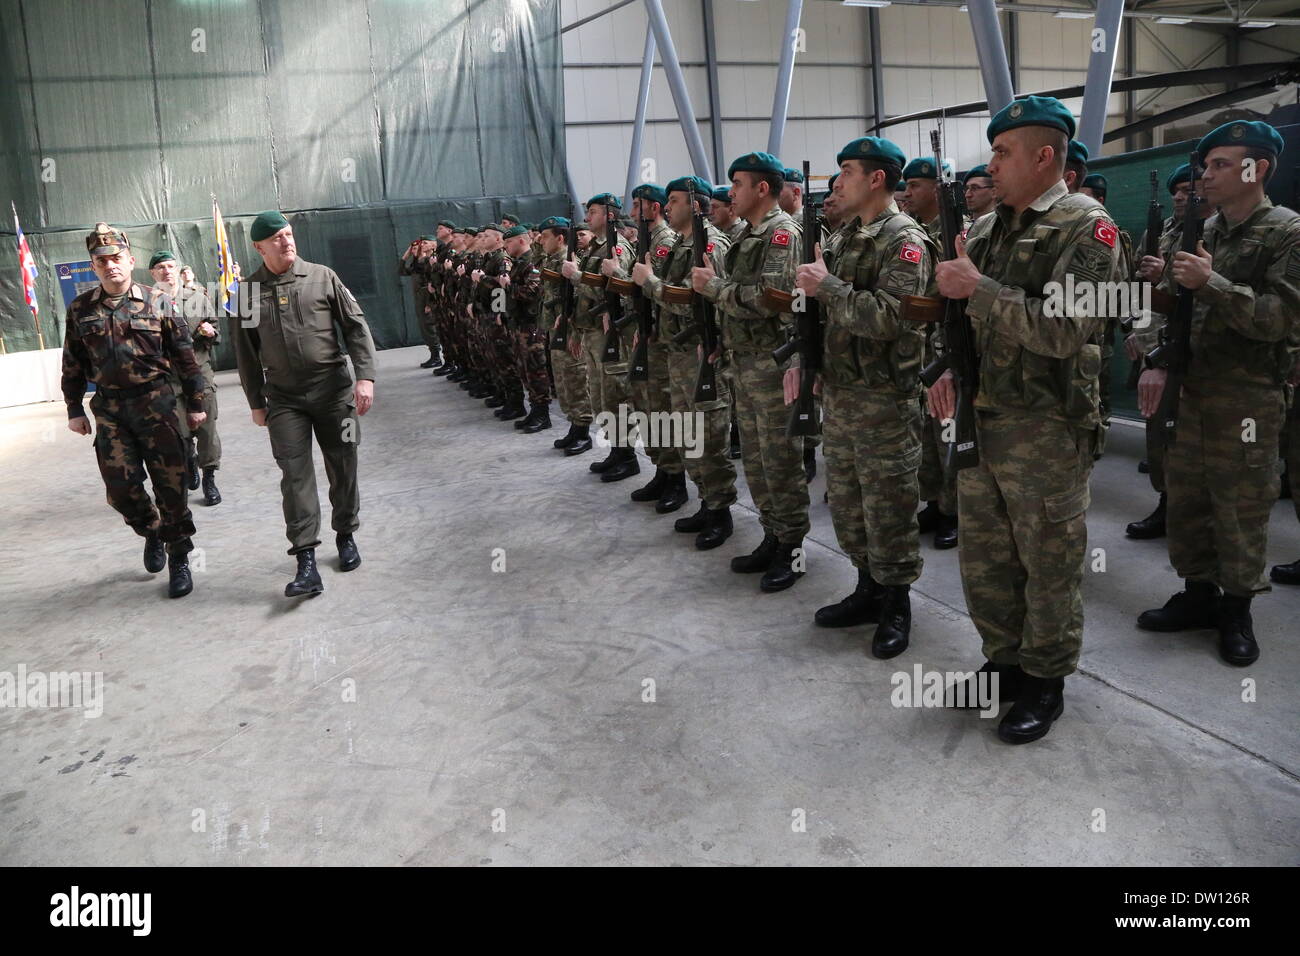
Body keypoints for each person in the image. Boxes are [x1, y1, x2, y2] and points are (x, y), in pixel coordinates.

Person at [931, 95, 1122, 743]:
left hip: (1047, 428)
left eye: (1003, 152)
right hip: (983, 417)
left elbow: (1066, 330)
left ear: (1045, 156)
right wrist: (944, 372)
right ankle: (1002, 662)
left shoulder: (1086, 227)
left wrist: (976, 289)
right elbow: (959, 324)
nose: (991, 165)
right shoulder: (986, 229)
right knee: (985, 557)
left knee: (1048, 559)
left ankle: (1045, 680)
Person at [1136, 120, 1300, 666]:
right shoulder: (1202, 232)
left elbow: (1278, 319)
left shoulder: (1287, 232)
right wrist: (1157, 291)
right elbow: (1176, 308)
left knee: (1242, 506)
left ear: (1259, 168)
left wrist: (1211, 283)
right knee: (1188, 499)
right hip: (1191, 389)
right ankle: (1197, 594)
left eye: (1220, 165)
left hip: (1245, 398)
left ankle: (1236, 609)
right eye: (1205, 166)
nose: (1205, 176)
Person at [797, 137, 934, 658]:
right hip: (843, 393)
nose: (838, 182)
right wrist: (808, 363)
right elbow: (817, 311)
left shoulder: (905, 240)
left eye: (847, 171)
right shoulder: (844, 236)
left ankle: (896, 601)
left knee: (888, 507)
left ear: (877, 179)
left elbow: (890, 318)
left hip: (884, 400)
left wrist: (827, 286)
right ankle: (866, 587)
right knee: (850, 504)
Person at [230, 211, 378, 598]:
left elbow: (355, 326)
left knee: (343, 462)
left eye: (289, 234)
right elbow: (245, 354)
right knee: (294, 476)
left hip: (334, 392)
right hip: (284, 399)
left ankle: (345, 533)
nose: (287, 241)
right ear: (259, 247)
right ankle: (306, 560)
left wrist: (365, 376)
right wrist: (255, 402)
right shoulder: (246, 292)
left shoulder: (323, 276)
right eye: (277, 238)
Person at [61, 223, 207, 599]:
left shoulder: (158, 300)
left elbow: (185, 358)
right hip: (109, 409)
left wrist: (195, 404)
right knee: (120, 489)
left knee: (171, 486)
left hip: (156, 404)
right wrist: (73, 407)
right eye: (101, 260)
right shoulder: (80, 309)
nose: (110, 265)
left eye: (116, 258)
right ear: (93, 266)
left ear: (131, 260)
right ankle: (152, 530)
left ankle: (179, 557)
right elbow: (72, 362)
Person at [693, 151, 807, 592]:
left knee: (780, 462)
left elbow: (769, 296)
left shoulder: (781, 233)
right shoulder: (748, 235)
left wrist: (715, 288)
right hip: (746, 362)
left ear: (762, 188)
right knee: (758, 463)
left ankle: (792, 548)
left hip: (774, 364)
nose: (731, 193)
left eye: (738, 184)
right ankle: (773, 534)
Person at [636, 175, 737, 546]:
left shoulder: (712, 244)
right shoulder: (683, 244)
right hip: (678, 352)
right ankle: (707, 501)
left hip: (700, 353)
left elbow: (709, 298)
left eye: (675, 201)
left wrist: (650, 284)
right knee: (688, 433)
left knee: (708, 436)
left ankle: (721, 511)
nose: (668, 207)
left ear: (695, 205)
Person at [1125, 164, 1210, 540]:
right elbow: (1144, 292)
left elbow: (1197, 299)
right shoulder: (1159, 233)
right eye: (1174, 190)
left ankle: (1194, 520)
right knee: (1158, 439)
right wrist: (1138, 334)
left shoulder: (1214, 235)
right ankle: (1166, 505)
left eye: (1185, 189)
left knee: (1193, 449)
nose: (1178, 196)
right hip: (1157, 350)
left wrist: (1165, 273)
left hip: (1197, 359)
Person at [561, 193, 639, 482]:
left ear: (608, 215)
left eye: (592, 212)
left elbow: (620, 290)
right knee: (602, 397)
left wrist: (579, 276)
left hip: (611, 334)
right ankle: (616, 450)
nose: (588, 217)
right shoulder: (596, 247)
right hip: (593, 332)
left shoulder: (616, 247)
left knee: (618, 396)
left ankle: (628, 456)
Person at [903, 156, 959, 549]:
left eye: (915, 185)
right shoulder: (916, 232)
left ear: (937, 190)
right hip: (920, 353)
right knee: (927, 435)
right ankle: (936, 501)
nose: (907, 192)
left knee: (947, 434)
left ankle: (954, 510)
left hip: (944, 350)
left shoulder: (954, 234)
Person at [624, 183, 685, 511]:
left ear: (654, 208)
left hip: (665, 341)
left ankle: (675, 477)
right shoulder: (648, 240)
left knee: (662, 409)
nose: (633, 213)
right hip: (651, 336)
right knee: (648, 407)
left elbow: (668, 294)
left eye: (638, 206)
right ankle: (663, 470)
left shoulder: (664, 242)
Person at [149, 251, 223, 506]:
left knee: (207, 429)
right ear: (152, 274)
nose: (166, 271)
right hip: (168, 379)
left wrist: (210, 331)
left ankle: (210, 478)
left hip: (199, 372)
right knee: (178, 432)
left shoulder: (197, 297)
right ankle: (189, 460)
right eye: (160, 267)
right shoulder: (147, 304)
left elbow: (216, 332)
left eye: (170, 266)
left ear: (178, 270)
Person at [539, 216, 594, 454]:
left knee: (575, 378)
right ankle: (574, 425)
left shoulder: (568, 260)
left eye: (545, 237)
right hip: (556, 326)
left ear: (560, 238)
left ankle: (582, 430)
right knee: (563, 379)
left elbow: (579, 297)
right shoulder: (552, 259)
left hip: (570, 327)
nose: (541, 241)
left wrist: (575, 330)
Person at [500, 224, 552, 432]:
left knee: (536, 370)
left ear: (521, 241)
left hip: (532, 326)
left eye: (508, 242)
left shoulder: (532, 263)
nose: (505, 246)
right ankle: (534, 410)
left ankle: (543, 414)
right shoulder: (518, 263)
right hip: (520, 324)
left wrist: (507, 285)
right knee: (525, 370)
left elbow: (531, 292)